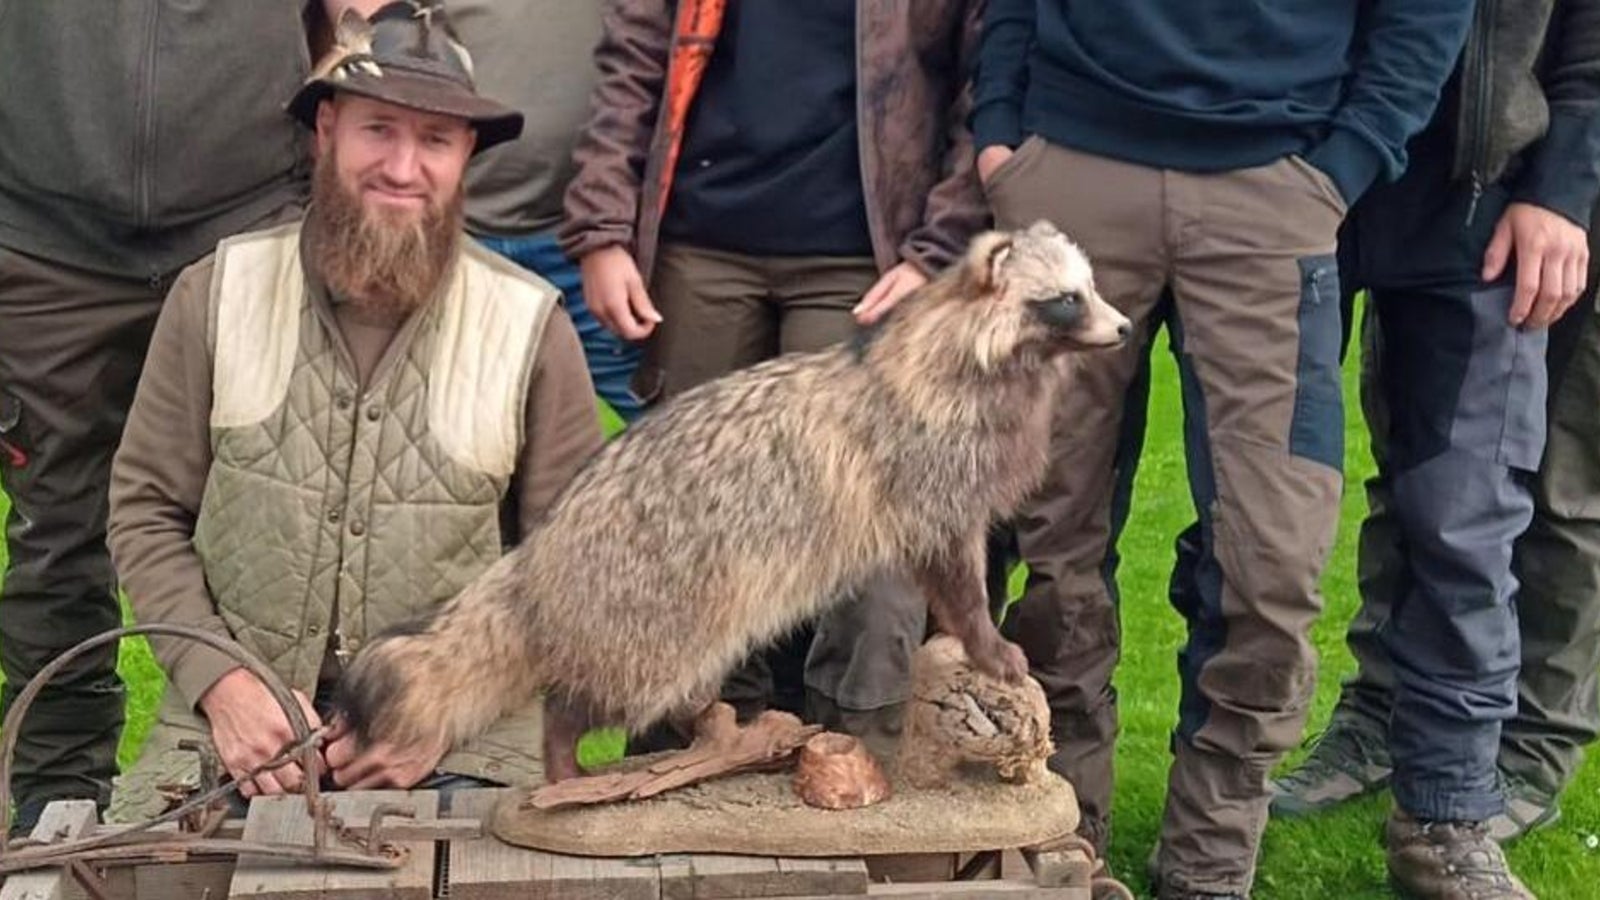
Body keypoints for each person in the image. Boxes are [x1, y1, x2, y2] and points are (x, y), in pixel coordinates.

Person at [972, 2, 1474, 896]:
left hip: (1272, 198)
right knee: (1048, 537)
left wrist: (1344, 164)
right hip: (1072, 176)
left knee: (1273, 560)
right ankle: (1055, 833)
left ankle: (1208, 859)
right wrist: (1004, 140)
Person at [104, 1, 604, 821]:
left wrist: (448, 705)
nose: (403, 167)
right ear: (326, 130)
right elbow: (145, 509)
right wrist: (222, 683)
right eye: (379, 129)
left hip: (463, 746)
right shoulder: (216, 294)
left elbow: (575, 574)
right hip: (227, 740)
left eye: (435, 140)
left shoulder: (530, 327)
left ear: (466, 155)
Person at [560, 0, 989, 746]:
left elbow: (981, 85)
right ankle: (673, 773)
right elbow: (633, 55)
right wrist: (602, 226)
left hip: (867, 258)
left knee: (868, 536)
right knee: (688, 530)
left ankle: (856, 770)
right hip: (701, 246)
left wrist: (938, 249)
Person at [1268, 5, 1600, 891]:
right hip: (1300, 175)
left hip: (1486, 193)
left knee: (1491, 505)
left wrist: (1563, 189)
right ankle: (1261, 781)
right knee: (1284, 503)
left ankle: (1473, 791)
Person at [0, 1, 313, 832]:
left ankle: (277, 771)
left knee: (277, 515)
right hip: (44, 237)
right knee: (56, 537)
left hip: (247, 214)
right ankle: (54, 799)